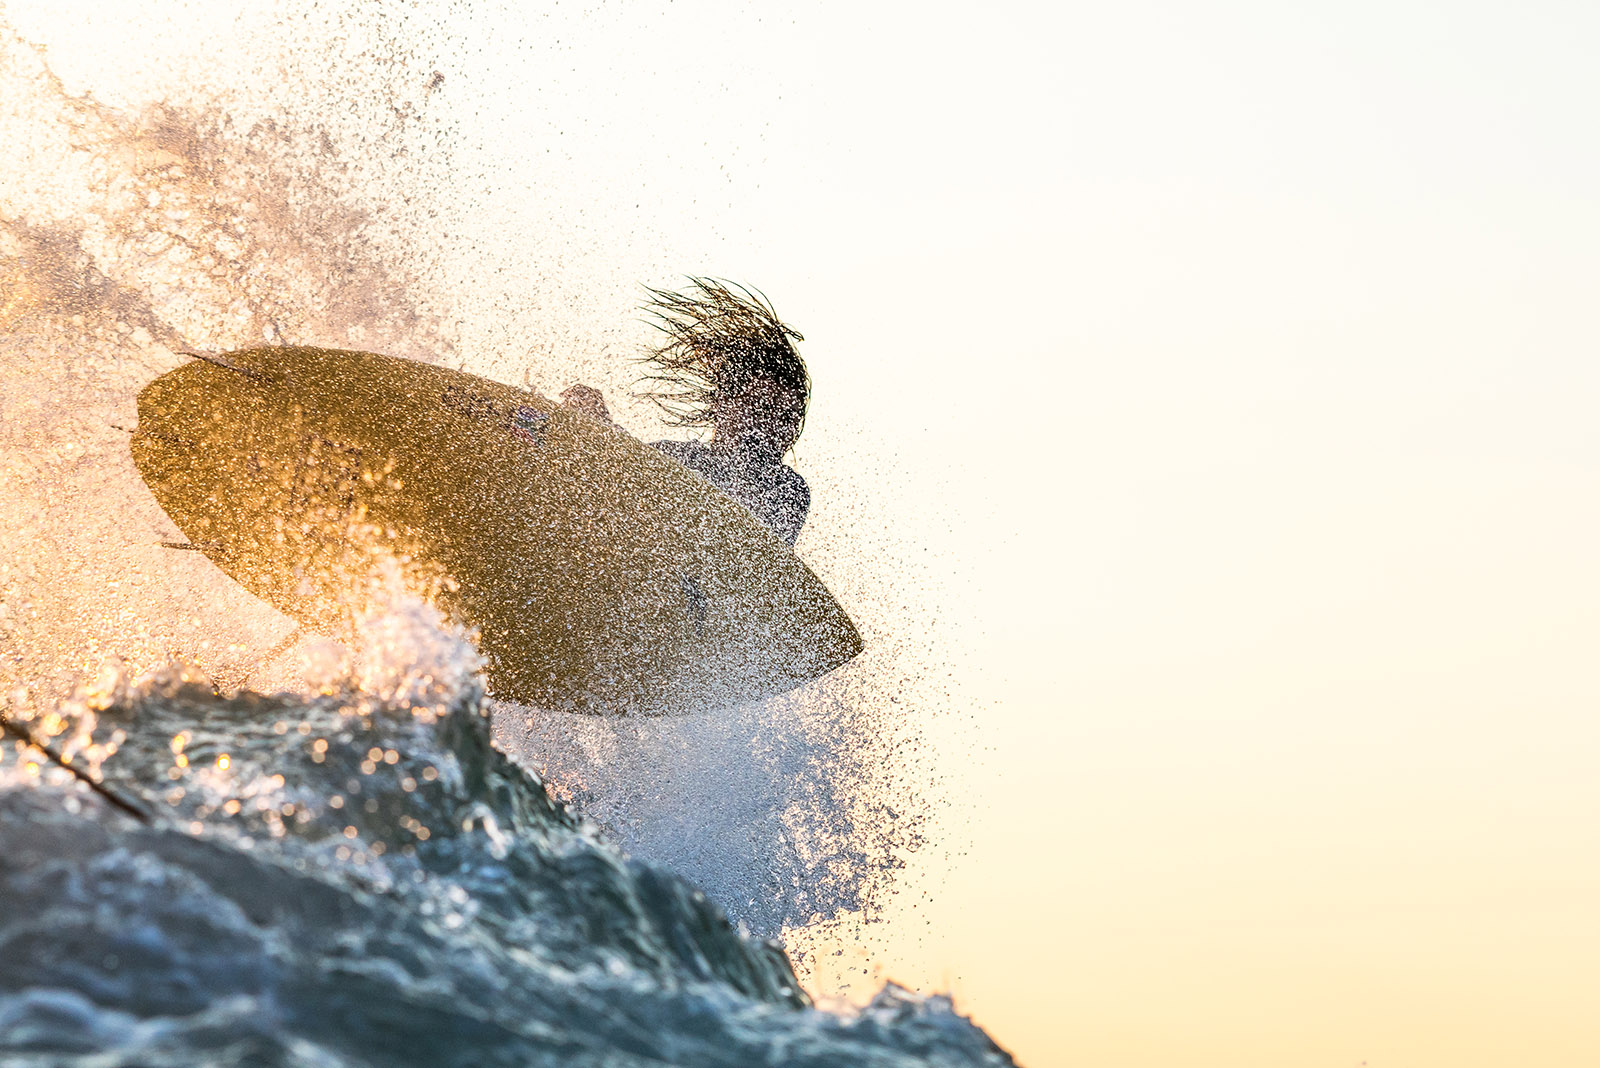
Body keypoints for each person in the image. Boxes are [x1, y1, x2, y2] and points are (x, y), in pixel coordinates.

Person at [560, 278, 812, 545]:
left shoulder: (789, 490)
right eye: (760, 407)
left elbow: (735, 529)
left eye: (787, 418)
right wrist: (597, 427)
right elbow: (618, 470)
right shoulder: (675, 456)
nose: (772, 426)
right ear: (722, 402)